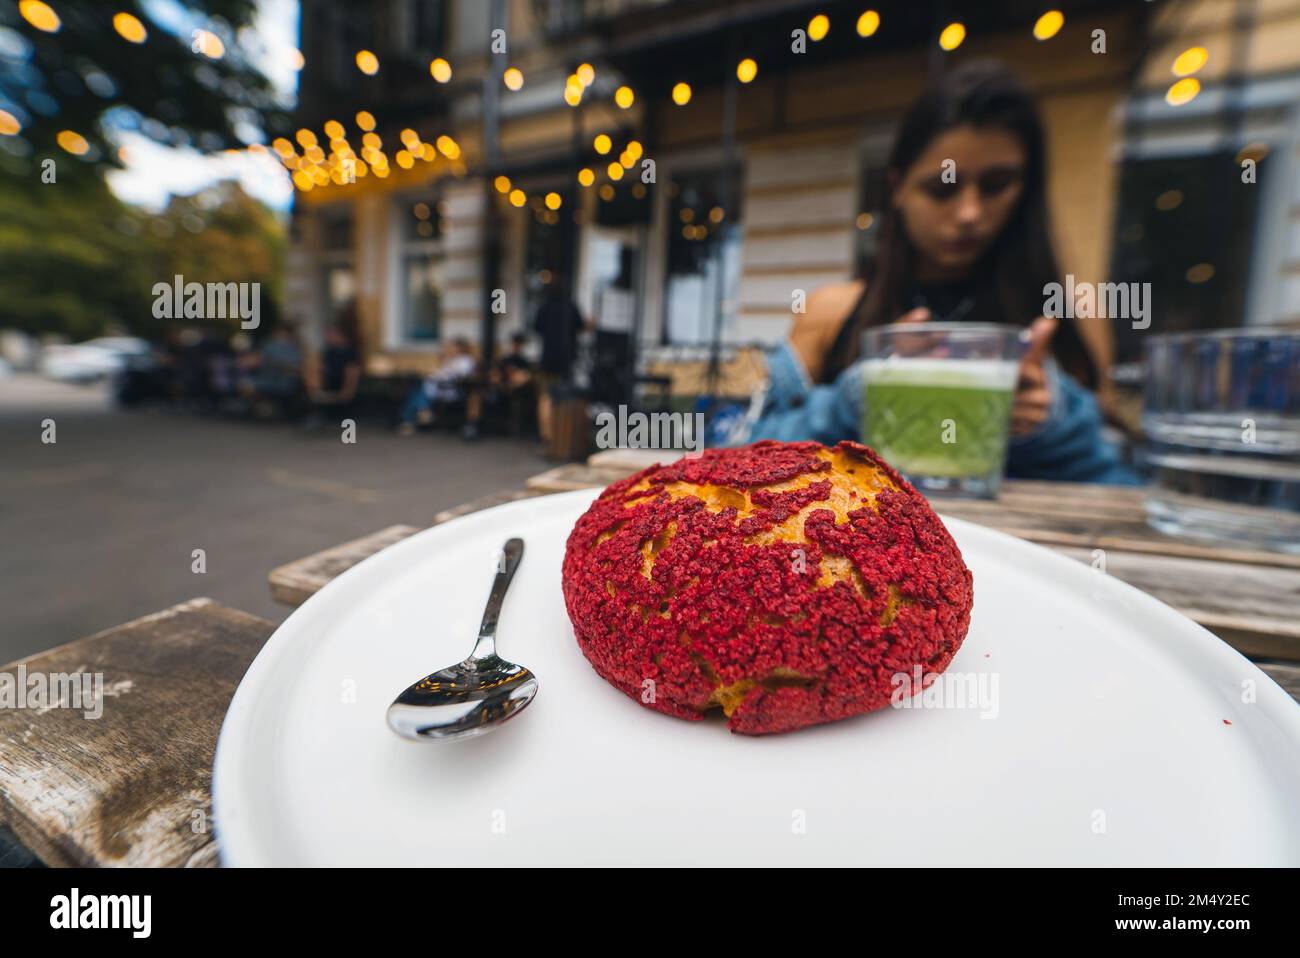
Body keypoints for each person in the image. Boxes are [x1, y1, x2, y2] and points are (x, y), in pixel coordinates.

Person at [745, 60, 1136, 484]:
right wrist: (854, 399)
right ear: (897, 187)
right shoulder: (830, 312)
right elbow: (747, 452)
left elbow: (1121, 486)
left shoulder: (1071, 310)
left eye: (996, 185)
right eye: (942, 188)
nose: (969, 213)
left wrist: (1052, 427)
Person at [531, 274, 584, 443]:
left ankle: (546, 435)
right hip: (567, 358)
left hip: (548, 357)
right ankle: (562, 435)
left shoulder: (544, 307)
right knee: (566, 397)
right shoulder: (570, 306)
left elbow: (536, 328)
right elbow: (580, 326)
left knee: (546, 397)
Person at [463, 332, 535, 439]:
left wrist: (509, 384)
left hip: (512, 394)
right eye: (513, 343)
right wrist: (494, 380)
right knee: (475, 395)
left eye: (518, 344)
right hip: (496, 390)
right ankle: (472, 425)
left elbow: (523, 379)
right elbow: (494, 376)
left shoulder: (524, 362)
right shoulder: (503, 360)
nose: (515, 346)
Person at [398, 337, 477, 434]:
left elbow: (458, 375)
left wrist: (441, 371)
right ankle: (421, 413)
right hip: (436, 386)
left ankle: (412, 419)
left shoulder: (466, 361)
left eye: (451, 347)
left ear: (460, 348)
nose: (449, 349)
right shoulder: (449, 360)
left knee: (416, 393)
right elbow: (438, 372)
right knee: (414, 391)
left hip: (448, 390)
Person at [306, 323, 361, 427]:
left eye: (332, 335)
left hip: (342, 385)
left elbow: (352, 373)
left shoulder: (350, 353)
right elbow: (319, 368)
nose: (329, 338)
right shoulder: (329, 352)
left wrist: (347, 391)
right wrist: (315, 385)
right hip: (328, 384)